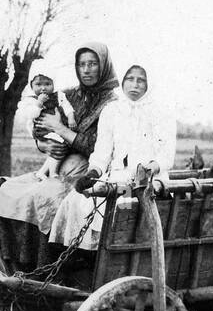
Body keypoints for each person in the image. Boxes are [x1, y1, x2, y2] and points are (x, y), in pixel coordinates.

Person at [0, 41, 120, 270]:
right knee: (9, 190)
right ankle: (15, 262)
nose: (87, 70)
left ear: (104, 67)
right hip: (56, 165)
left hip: (87, 172)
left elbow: (98, 147)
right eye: (82, 64)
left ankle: (46, 267)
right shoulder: (68, 95)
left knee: (43, 199)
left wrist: (61, 129)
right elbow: (40, 122)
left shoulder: (112, 104)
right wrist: (44, 144)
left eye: (93, 64)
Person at [51, 63, 177, 250]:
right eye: (130, 79)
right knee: (76, 201)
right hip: (118, 179)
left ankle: (114, 259)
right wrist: (93, 172)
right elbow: (102, 151)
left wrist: (147, 170)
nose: (134, 85)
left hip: (149, 182)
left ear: (149, 84)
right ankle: (81, 256)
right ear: (123, 81)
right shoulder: (112, 111)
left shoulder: (162, 113)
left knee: (123, 210)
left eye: (141, 80)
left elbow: (166, 156)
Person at [22, 63, 73, 179]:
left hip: (56, 130)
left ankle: (44, 171)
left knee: (61, 146)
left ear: (53, 84)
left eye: (47, 84)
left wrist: (71, 117)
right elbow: (32, 115)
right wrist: (39, 104)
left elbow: (67, 106)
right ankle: (53, 172)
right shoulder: (31, 100)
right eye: (38, 84)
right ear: (31, 86)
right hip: (42, 131)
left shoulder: (58, 96)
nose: (43, 88)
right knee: (60, 144)